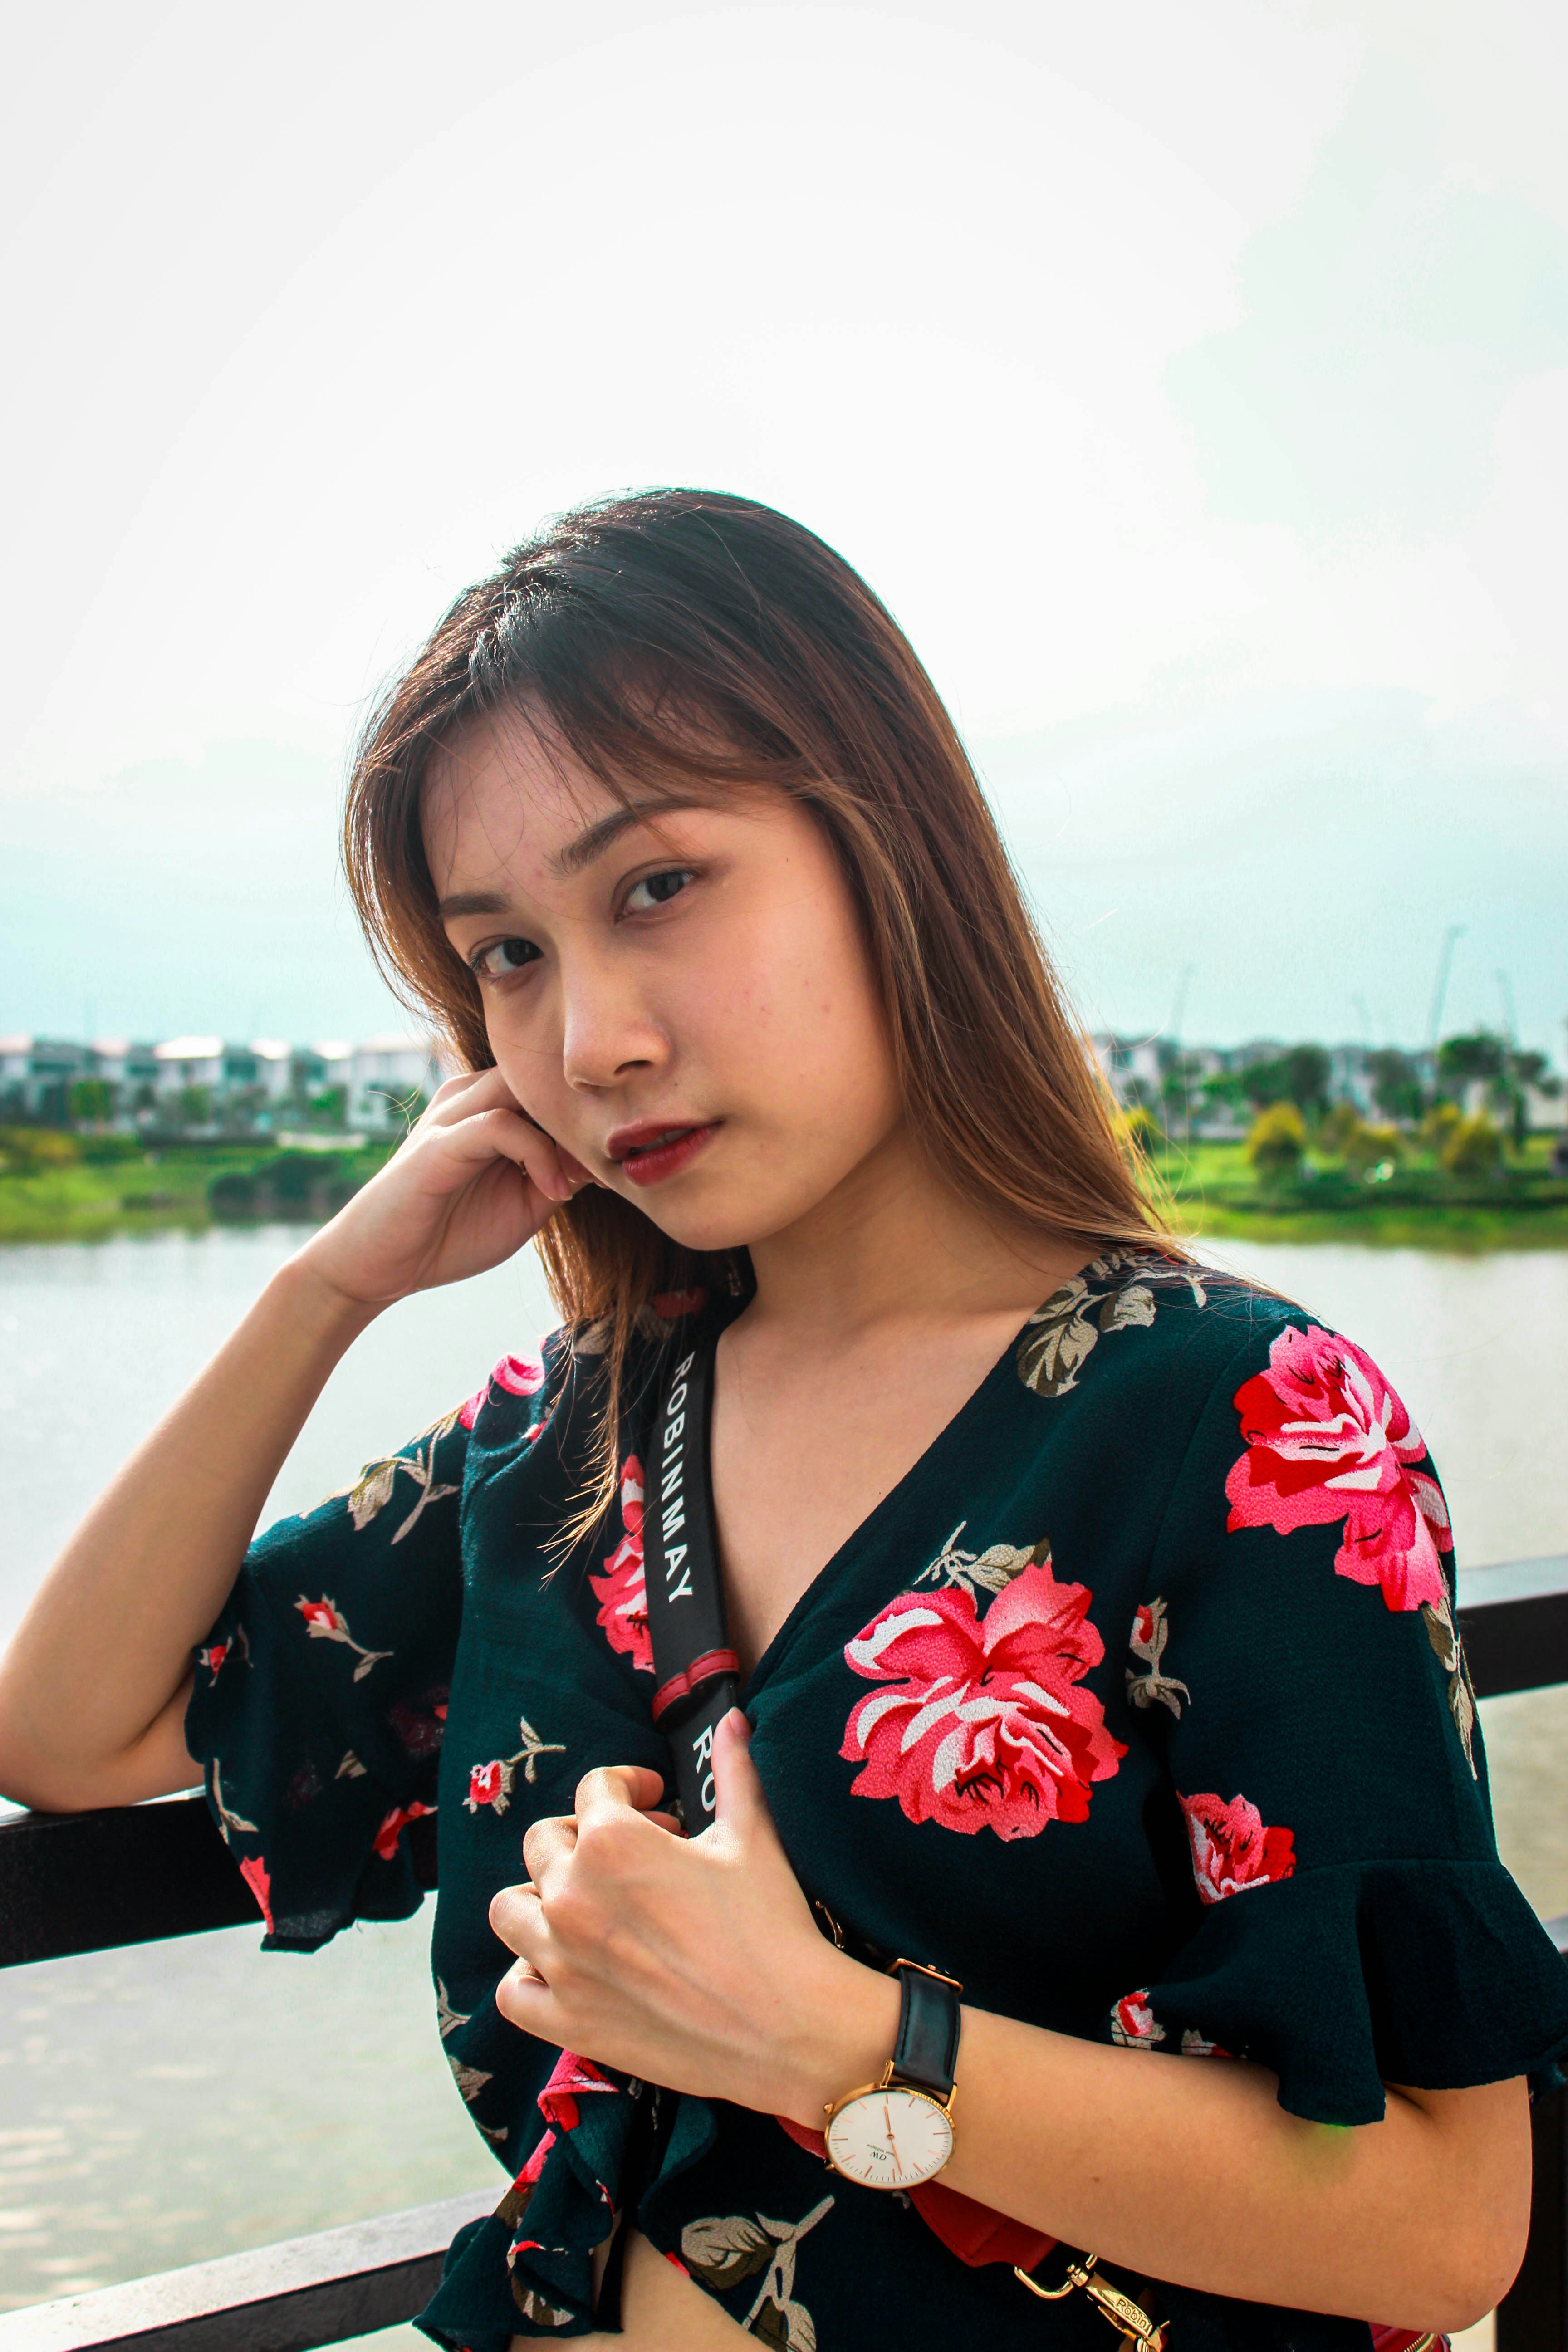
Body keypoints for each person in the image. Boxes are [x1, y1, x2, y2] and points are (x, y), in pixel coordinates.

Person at [2, 491, 1564, 2352]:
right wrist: (323, 1290)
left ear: (882, 848)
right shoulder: (558, 1446)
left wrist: (837, 2041)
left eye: (655, 887)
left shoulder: (1241, 1421)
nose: (590, 1039)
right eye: (507, 954)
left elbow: (1445, 2228)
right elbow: (71, 1730)